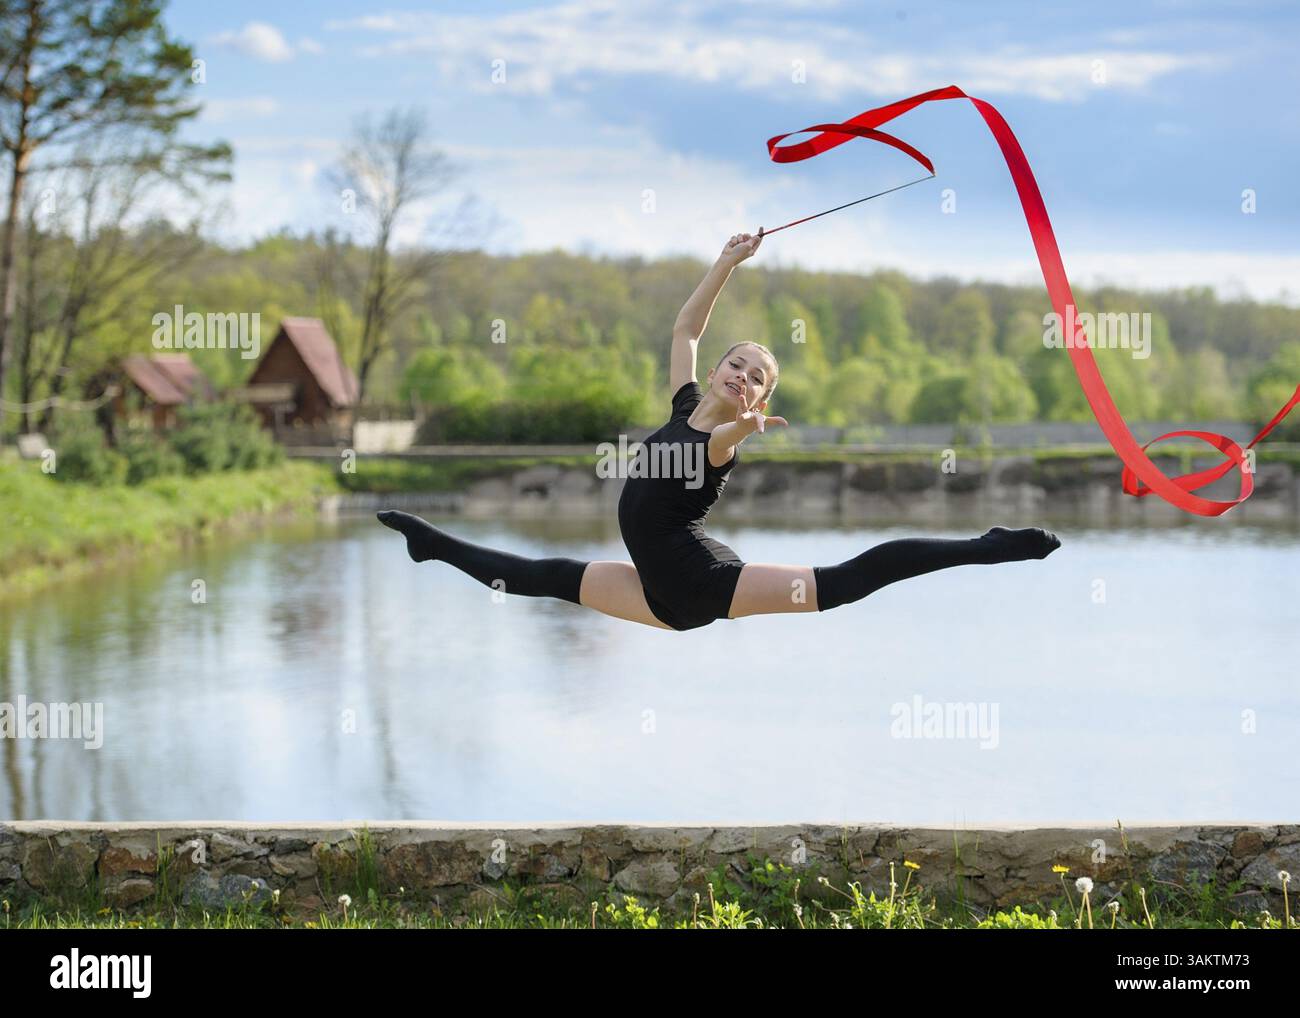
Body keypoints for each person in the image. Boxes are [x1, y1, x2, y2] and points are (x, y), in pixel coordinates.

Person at [379, 231, 1060, 630]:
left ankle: (991, 546)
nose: (742, 374)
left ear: (760, 398)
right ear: (718, 372)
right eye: (737, 364)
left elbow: (718, 450)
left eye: (757, 376)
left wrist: (748, 427)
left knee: (844, 580)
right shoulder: (683, 407)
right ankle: (429, 543)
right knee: (540, 574)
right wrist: (727, 263)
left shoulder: (718, 442)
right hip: (656, 589)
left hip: (697, 581)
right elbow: (686, 328)